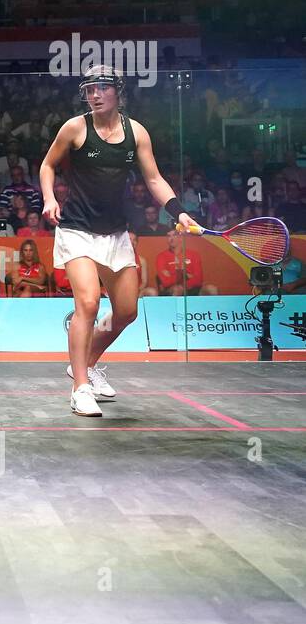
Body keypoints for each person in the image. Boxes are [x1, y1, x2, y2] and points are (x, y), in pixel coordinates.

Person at [40, 65, 198, 417]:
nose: (94, 95)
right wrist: (50, 198)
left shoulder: (136, 133)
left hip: (115, 233)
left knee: (126, 310)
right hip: (76, 228)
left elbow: (154, 179)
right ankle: (80, 387)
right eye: (89, 89)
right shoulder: (75, 128)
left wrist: (179, 212)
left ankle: (87, 363)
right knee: (89, 303)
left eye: (101, 88)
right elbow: (48, 165)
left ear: (117, 92)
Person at [155, 230, 218, 296]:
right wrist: (185, 275)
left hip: (193, 288)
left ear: (181, 238)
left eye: (175, 235)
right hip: (172, 289)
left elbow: (198, 280)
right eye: (168, 236)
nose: (171, 238)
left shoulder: (194, 255)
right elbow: (166, 282)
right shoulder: (161, 257)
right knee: (177, 289)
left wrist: (175, 275)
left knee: (211, 289)